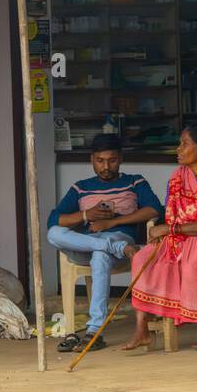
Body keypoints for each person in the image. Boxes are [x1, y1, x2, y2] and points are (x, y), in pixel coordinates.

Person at [125, 123, 197, 352]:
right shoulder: (178, 176)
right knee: (143, 259)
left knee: (194, 263)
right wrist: (165, 233)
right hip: (181, 234)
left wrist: (168, 231)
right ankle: (142, 328)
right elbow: (172, 214)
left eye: (185, 143)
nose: (178, 149)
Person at [47, 133, 161, 352]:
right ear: (92, 160)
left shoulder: (134, 181)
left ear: (120, 158)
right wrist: (86, 215)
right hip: (88, 244)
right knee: (53, 233)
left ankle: (94, 331)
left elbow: (154, 209)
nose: (106, 166)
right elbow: (55, 219)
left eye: (112, 160)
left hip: (117, 239)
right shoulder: (81, 187)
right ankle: (112, 247)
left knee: (101, 255)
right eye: (100, 161)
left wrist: (114, 222)